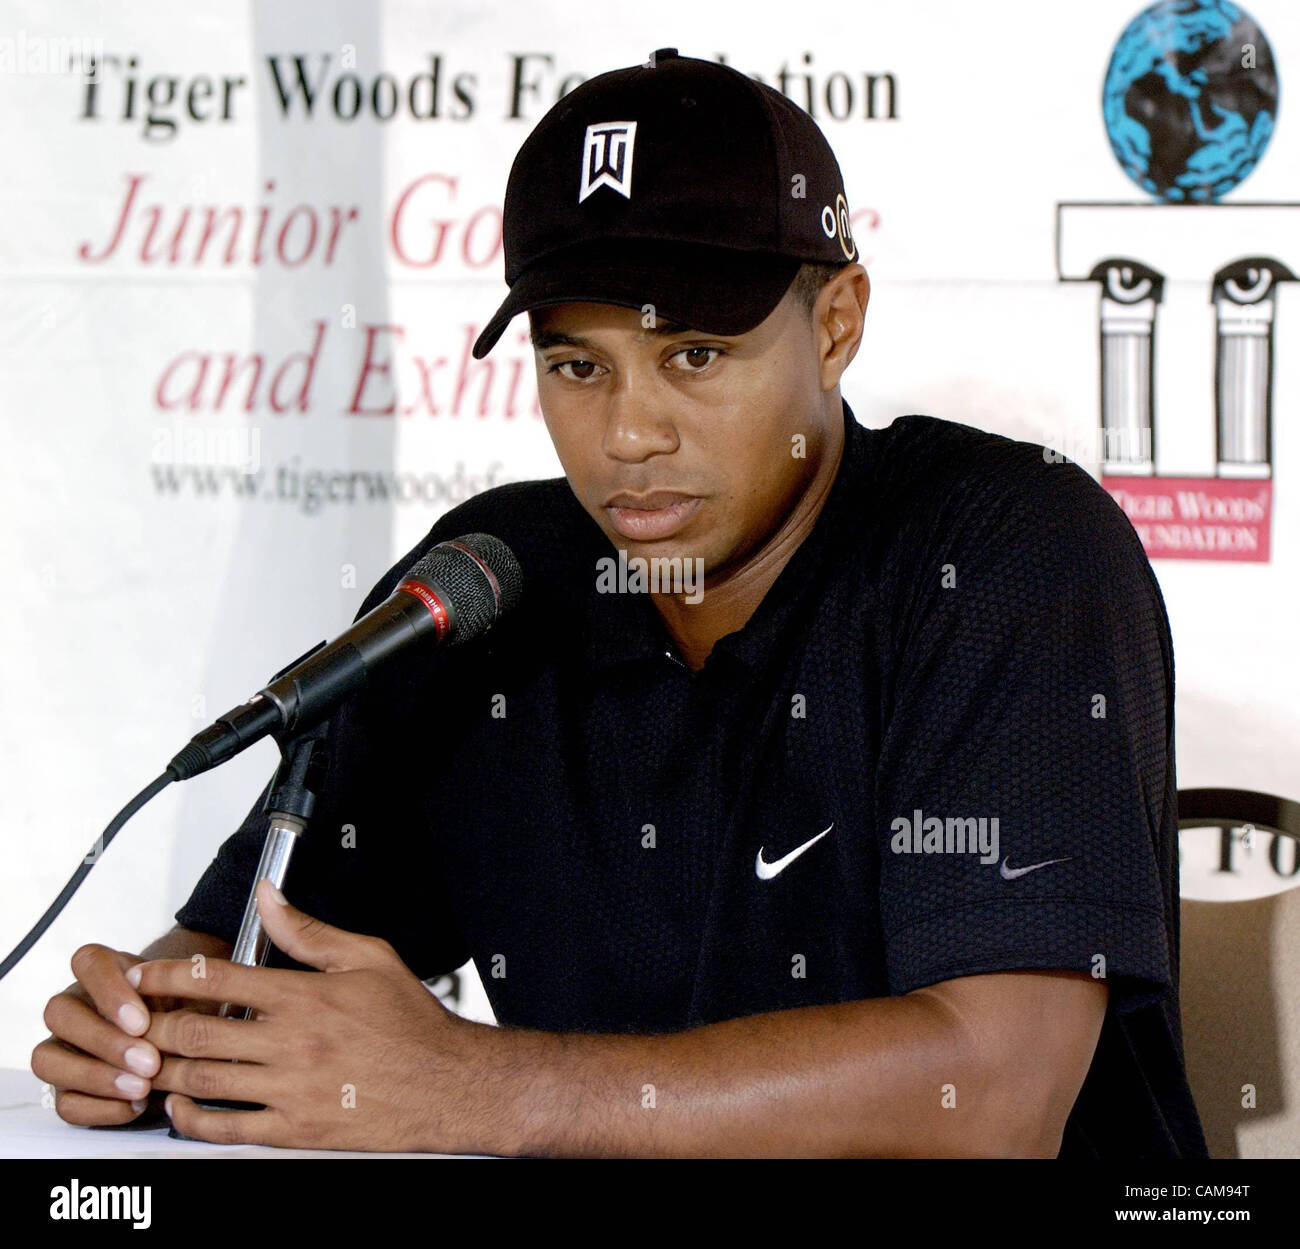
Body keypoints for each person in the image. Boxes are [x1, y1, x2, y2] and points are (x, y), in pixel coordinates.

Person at [32, 47, 1208, 1158]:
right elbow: (250, 963)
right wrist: (148, 1032)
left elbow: (994, 1095)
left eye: (694, 354)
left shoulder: (1010, 549)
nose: (628, 436)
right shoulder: (490, 579)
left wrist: (469, 1084)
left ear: (837, 323)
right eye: (575, 365)